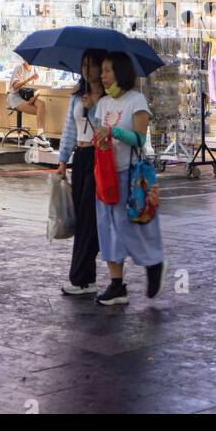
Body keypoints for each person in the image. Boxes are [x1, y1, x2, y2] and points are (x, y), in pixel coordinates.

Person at [93, 52, 165, 307]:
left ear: (121, 72)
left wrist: (113, 132)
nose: (102, 75)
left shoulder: (137, 101)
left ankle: (153, 262)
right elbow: (102, 134)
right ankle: (116, 284)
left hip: (130, 175)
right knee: (108, 227)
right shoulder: (102, 104)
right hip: (106, 176)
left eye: (107, 70)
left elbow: (139, 140)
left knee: (134, 226)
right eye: (101, 71)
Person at [56, 49, 105, 295]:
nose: (88, 69)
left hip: (100, 158)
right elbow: (69, 129)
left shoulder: (107, 99)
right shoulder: (77, 97)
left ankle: (79, 278)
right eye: (84, 64)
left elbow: (107, 128)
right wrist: (63, 160)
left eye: (93, 64)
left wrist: (95, 106)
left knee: (89, 217)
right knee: (82, 217)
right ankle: (87, 277)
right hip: (81, 156)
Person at [7, 57, 47, 135]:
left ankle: (40, 135)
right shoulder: (19, 68)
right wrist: (29, 79)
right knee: (39, 111)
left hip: (29, 96)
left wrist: (34, 97)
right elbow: (15, 86)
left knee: (42, 105)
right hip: (16, 97)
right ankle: (41, 135)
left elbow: (39, 88)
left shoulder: (35, 69)